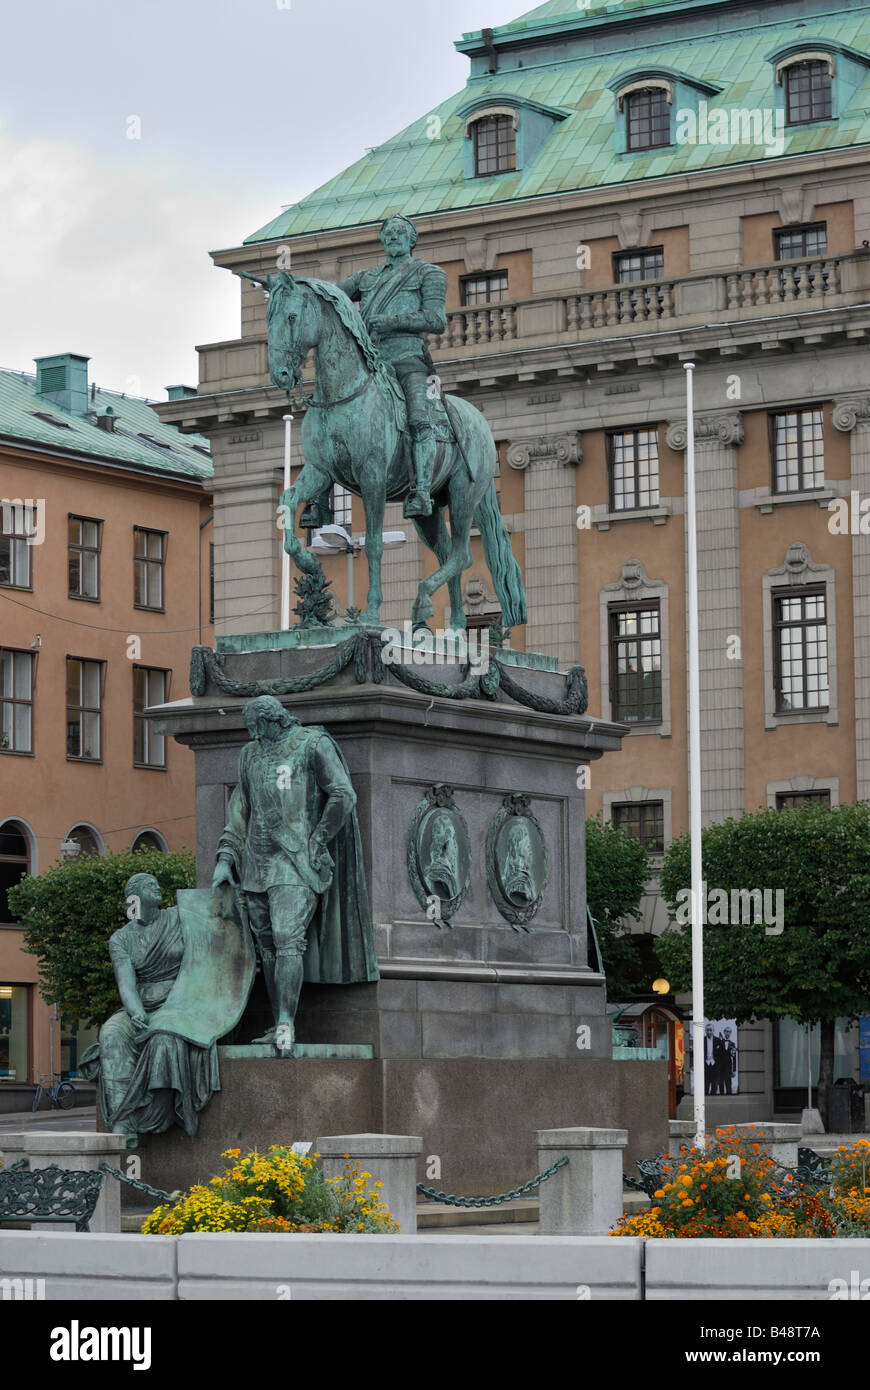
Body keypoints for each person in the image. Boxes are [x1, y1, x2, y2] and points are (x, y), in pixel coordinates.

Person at [212, 696, 378, 1055]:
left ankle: (287, 1021)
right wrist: (226, 857)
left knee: (288, 937)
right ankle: (277, 1022)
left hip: (295, 861)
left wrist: (318, 840)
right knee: (268, 945)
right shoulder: (250, 755)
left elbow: (342, 794)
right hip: (256, 865)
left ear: (272, 720)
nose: (253, 735)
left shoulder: (312, 745)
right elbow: (240, 805)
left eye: (256, 728)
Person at [80, 873, 244, 1147]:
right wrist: (135, 1013)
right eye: (146, 885)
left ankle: (154, 1112)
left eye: (155, 883)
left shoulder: (180, 917)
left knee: (163, 1035)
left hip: (183, 1000)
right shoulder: (121, 939)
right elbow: (126, 983)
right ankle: (124, 1123)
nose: (155, 886)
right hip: (142, 1004)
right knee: (111, 1033)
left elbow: (216, 920)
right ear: (133, 898)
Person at [332, 214, 448, 520]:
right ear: (382, 240)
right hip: (371, 362)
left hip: (409, 358)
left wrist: (392, 323)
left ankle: (421, 490)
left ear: (411, 239)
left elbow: (437, 320)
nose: (393, 237)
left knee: (418, 418)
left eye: (400, 232)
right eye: (388, 233)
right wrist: (294, 286)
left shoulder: (428, 273)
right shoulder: (365, 279)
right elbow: (329, 296)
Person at [703, 1022, 722, 1096]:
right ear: (705, 1031)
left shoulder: (718, 1040)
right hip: (705, 1064)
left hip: (715, 1065)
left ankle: (713, 1097)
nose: (709, 1032)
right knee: (706, 1083)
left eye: (710, 1030)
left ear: (713, 1030)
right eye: (707, 1030)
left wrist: (719, 1064)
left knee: (715, 1083)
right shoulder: (702, 1040)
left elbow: (721, 1054)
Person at [718, 1025, 738, 1095]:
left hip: (728, 1068)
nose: (727, 1033)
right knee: (720, 1083)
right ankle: (721, 1097)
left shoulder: (733, 1044)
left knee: (728, 1083)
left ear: (731, 1033)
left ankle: (729, 1096)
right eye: (726, 1031)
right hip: (720, 1067)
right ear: (724, 1032)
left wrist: (734, 1070)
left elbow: (734, 1058)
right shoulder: (720, 1043)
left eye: (729, 1032)